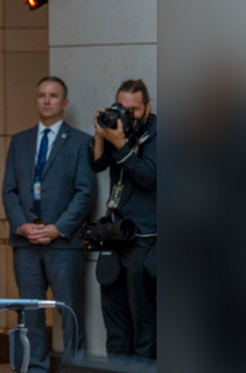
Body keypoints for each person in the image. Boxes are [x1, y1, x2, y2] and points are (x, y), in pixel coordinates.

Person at [2, 77, 94, 372]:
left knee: (70, 313)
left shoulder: (81, 141)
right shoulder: (20, 141)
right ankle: (33, 368)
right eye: (41, 95)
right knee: (30, 316)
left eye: (53, 96)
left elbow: (85, 192)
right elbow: (9, 190)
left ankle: (74, 368)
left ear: (64, 102)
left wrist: (58, 228)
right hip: (25, 243)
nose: (46, 100)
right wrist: (22, 226)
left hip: (63, 243)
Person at [90, 79, 157, 361]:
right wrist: (100, 136)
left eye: (135, 109)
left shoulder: (161, 135)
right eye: (122, 108)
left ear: (147, 107)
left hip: (145, 241)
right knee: (115, 322)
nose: (129, 115)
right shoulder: (118, 129)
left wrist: (120, 145)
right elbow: (97, 164)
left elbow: (148, 176)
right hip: (115, 237)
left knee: (144, 323)